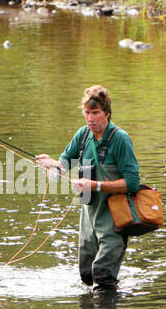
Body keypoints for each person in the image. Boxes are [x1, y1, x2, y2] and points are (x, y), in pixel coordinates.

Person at [36, 85, 140, 292]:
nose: (90, 118)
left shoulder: (120, 139)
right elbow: (64, 164)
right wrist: (53, 166)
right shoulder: (83, 135)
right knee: (86, 274)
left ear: (107, 113)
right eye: (87, 113)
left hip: (113, 217)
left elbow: (132, 183)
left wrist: (96, 185)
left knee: (103, 276)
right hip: (89, 214)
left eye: (95, 113)